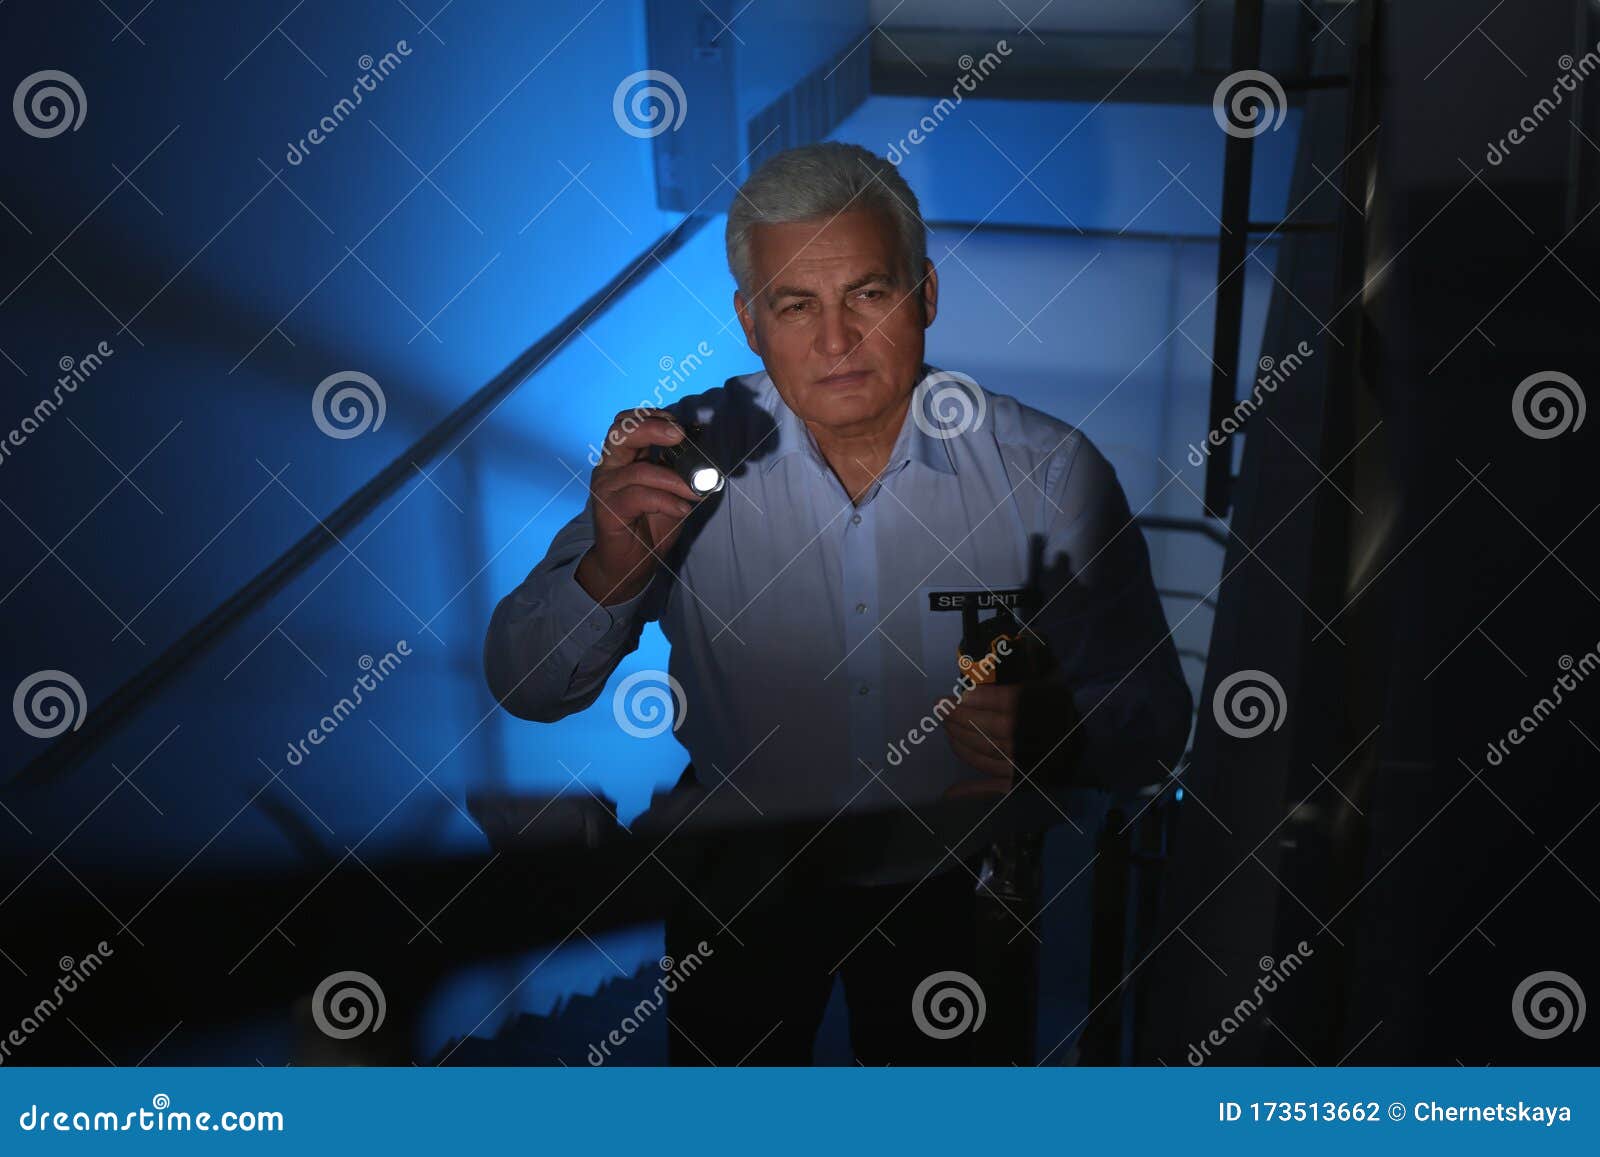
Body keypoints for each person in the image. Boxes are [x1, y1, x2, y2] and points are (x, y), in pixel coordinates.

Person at [483, 142, 1192, 1064]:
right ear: (748, 321)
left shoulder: (1049, 474)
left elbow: (1157, 724)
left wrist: (1064, 731)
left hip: (956, 887)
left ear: (926, 294)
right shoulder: (674, 459)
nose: (835, 341)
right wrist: (608, 576)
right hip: (735, 882)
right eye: (795, 304)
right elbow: (527, 685)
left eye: (868, 292)